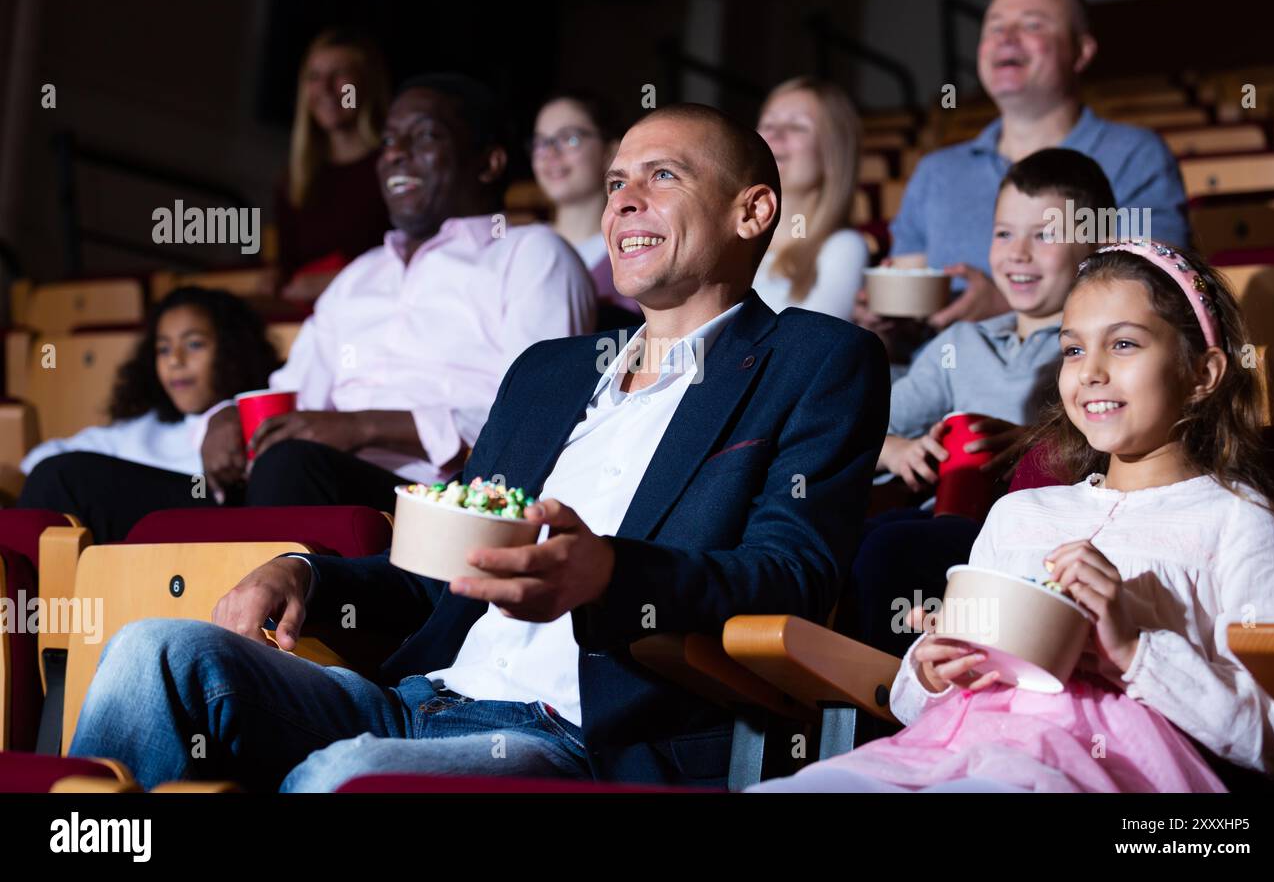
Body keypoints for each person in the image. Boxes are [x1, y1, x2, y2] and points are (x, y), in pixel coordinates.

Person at [68, 103, 891, 791]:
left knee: (343, 777)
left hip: (582, 738)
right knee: (151, 651)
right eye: (615, 184)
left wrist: (609, 575)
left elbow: (792, 573)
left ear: (752, 211)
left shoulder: (815, 361)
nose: (624, 201)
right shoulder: (548, 373)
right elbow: (441, 578)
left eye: (662, 176)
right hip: (419, 699)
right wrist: (305, 572)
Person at [756, 243, 1274, 791]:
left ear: (1203, 374)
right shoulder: (1020, 513)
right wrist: (932, 669)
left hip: (1100, 768)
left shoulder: (1238, 522)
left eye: (1125, 344)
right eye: (1072, 350)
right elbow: (918, 704)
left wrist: (1135, 650)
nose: (1091, 372)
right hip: (947, 750)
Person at [199, 74, 597, 515]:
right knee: (113, 487)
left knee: (290, 465)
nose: (395, 153)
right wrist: (226, 418)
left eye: (424, 136)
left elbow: (535, 419)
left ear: (488, 163)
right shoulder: (359, 275)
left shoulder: (533, 255)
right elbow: (292, 393)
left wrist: (365, 428)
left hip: (443, 500)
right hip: (306, 477)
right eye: (388, 139)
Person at [846, 148, 1115, 655]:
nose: (1018, 253)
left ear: (1096, 243)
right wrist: (900, 450)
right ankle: (844, 699)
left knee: (892, 549)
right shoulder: (962, 344)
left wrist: (1037, 445)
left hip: (1036, 539)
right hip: (944, 511)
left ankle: (897, 703)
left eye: (1045, 235)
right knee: (847, 540)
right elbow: (857, 427)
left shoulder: (1095, 346)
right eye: (1004, 233)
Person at [855, 0, 1188, 360]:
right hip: (937, 386)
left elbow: (1153, 293)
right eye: (994, 28)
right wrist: (885, 323)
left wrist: (1008, 305)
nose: (1006, 37)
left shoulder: (1134, 154)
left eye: (1032, 25)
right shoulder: (938, 171)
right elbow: (908, 292)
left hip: (1069, 386)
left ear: (1081, 51)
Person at [17, 288, 280, 541]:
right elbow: (42, 460)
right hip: (139, 555)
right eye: (163, 349)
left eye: (194, 344)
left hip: (219, 534)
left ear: (233, 351)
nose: (175, 360)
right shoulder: (143, 427)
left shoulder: (249, 416)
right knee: (56, 478)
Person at [274, 28, 393, 304]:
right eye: (314, 77)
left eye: (340, 75)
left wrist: (340, 278)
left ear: (368, 84)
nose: (325, 89)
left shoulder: (394, 167)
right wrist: (277, 279)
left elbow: (412, 261)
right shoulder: (295, 177)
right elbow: (289, 267)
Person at [754, 76, 869, 320]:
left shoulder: (842, 247)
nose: (775, 134)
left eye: (797, 127)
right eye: (768, 123)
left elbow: (811, 350)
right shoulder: (726, 236)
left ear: (832, 154)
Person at [530, 92, 638, 316]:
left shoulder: (634, 251)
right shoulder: (522, 246)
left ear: (610, 152)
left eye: (570, 139)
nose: (549, 153)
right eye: (541, 142)